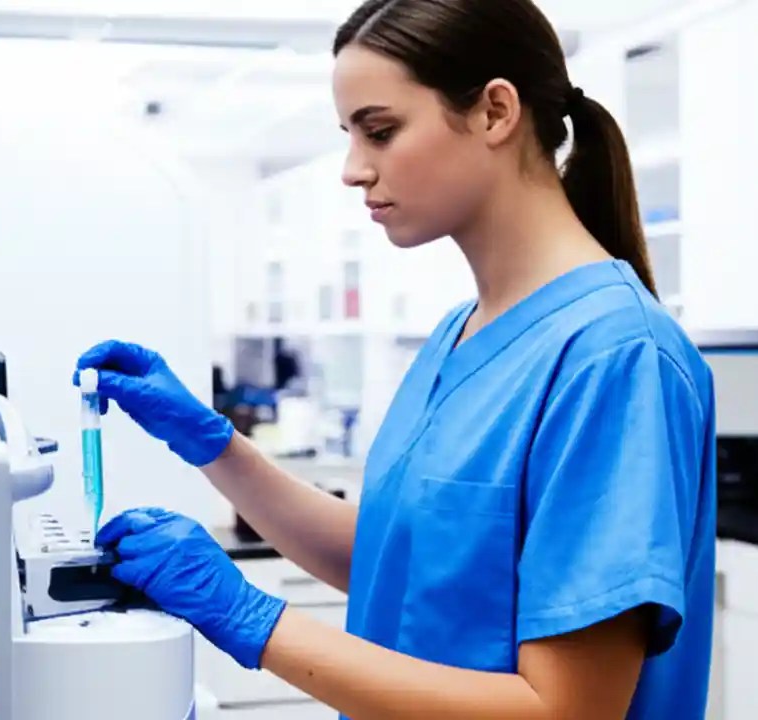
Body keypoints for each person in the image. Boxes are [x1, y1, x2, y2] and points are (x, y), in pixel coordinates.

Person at [73, 0, 716, 717]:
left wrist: (254, 619)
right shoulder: (460, 333)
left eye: (380, 131)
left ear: (495, 112)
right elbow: (402, 565)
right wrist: (215, 446)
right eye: (350, 136)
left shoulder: (615, 358)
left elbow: (562, 709)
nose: (352, 170)